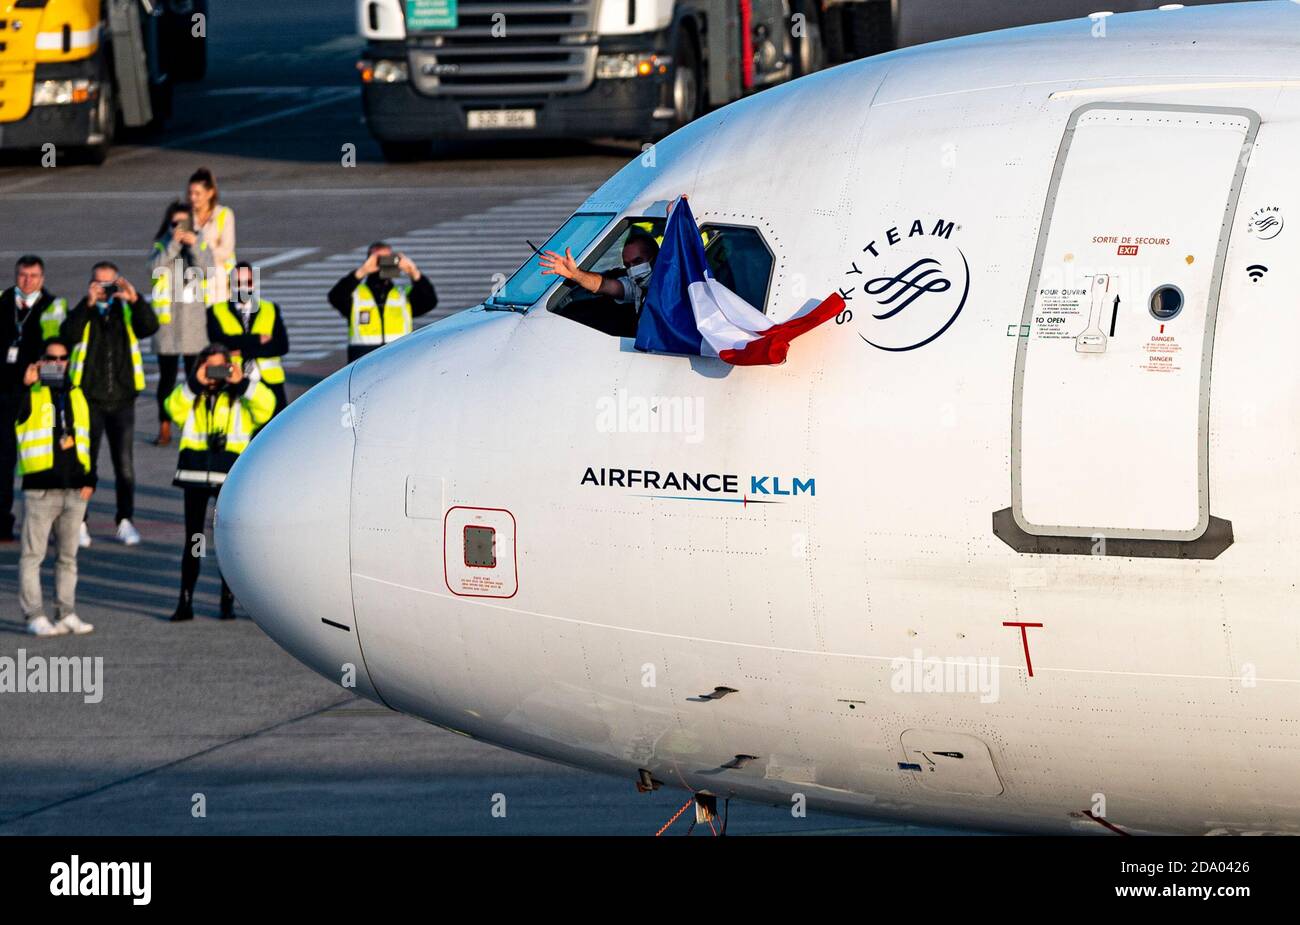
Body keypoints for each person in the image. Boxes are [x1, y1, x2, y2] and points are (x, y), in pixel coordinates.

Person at [164, 343, 275, 622]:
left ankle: (227, 600)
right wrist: (194, 383)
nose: (215, 373)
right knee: (194, 540)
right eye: (209, 366)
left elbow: (267, 407)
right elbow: (171, 408)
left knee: (226, 541)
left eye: (220, 367)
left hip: (229, 478)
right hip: (195, 476)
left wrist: (242, 383)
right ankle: (185, 600)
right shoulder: (193, 394)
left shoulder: (239, 395)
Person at [61, 261, 160, 548]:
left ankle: (125, 520)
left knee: (124, 465)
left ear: (118, 283)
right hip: (88, 400)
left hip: (122, 399)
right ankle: (80, 521)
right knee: (85, 464)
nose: (104, 290)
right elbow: (68, 335)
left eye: (109, 284)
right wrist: (87, 303)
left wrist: (134, 298)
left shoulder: (127, 310)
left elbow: (149, 327)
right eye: (98, 283)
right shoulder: (84, 311)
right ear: (90, 284)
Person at [16, 338, 95, 637]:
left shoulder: (76, 394)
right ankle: (34, 614)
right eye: (51, 358)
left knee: (68, 556)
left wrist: (90, 479)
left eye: (63, 359)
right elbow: (9, 412)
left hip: (74, 489)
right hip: (41, 489)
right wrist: (24, 385)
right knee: (33, 556)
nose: (58, 363)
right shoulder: (29, 393)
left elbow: (88, 440)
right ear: (41, 360)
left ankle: (66, 613)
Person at [0, 256, 68, 540]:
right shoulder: (3, 302)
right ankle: (3, 522)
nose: (28, 280)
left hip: (37, 393)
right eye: (23, 275)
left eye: (34, 275)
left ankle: (48, 524)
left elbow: (57, 347)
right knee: (3, 462)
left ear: (42, 278)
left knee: (41, 458)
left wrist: (48, 382)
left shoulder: (53, 306)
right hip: (4, 391)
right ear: (16, 276)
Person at [150, 200, 213, 446]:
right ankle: (163, 425)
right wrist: (173, 244)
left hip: (193, 325)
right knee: (166, 380)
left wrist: (193, 245)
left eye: (183, 222)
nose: (179, 226)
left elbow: (208, 270)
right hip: (167, 326)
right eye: (174, 222)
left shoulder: (199, 241)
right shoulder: (161, 244)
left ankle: (193, 423)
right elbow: (154, 268)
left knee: (194, 376)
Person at [328, 242, 437, 363]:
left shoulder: (403, 295)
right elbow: (335, 297)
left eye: (388, 258)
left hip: (399, 355)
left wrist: (413, 272)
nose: (384, 263)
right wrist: (362, 271)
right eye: (378, 259)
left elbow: (429, 301)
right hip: (363, 359)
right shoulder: (356, 295)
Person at [207, 262, 290, 416]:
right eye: (238, 283)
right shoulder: (215, 311)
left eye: (248, 282)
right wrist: (257, 339)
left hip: (269, 382)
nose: (244, 288)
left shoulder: (270, 309)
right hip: (232, 381)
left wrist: (242, 352)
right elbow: (220, 342)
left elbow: (281, 346)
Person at [538, 230, 659, 312]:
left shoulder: (673, 286)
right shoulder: (636, 288)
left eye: (638, 261)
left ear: (655, 257)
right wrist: (575, 274)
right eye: (627, 265)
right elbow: (602, 285)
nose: (632, 269)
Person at [185, 167, 236, 307]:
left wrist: (199, 253)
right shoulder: (185, 217)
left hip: (219, 284)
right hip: (192, 282)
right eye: (190, 193)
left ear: (210, 193)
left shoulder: (224, 215)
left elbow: (226, 250)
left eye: (197, 193)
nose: (192, 197)